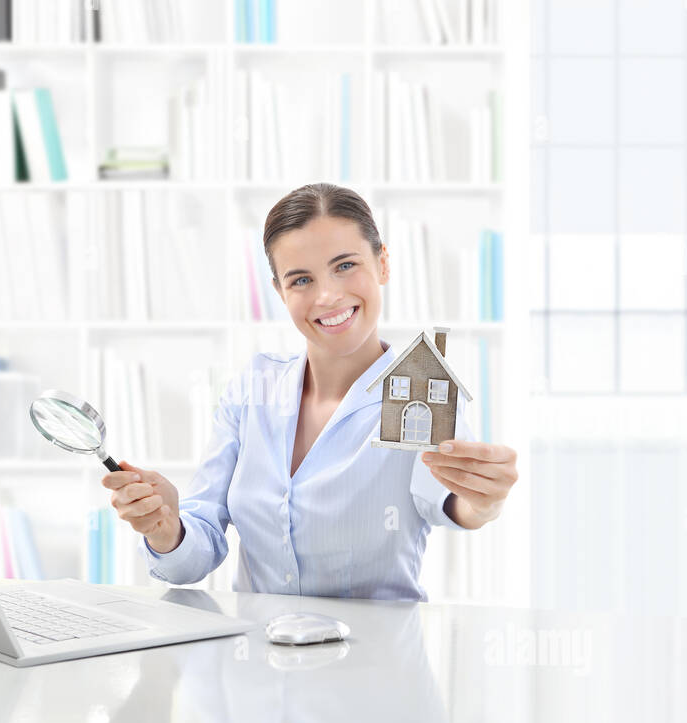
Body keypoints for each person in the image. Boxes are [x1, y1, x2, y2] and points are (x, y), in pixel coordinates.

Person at [101, 183, 518, 600]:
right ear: (280, 291)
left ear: (383, 264)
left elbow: (448, 500)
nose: (328, 296)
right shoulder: (253, 389)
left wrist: (483, 501)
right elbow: (195, 553)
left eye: (345, 266)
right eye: (301, 279)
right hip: (257, 657)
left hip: (377, 660)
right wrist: (167, 528)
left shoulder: (422, 392)